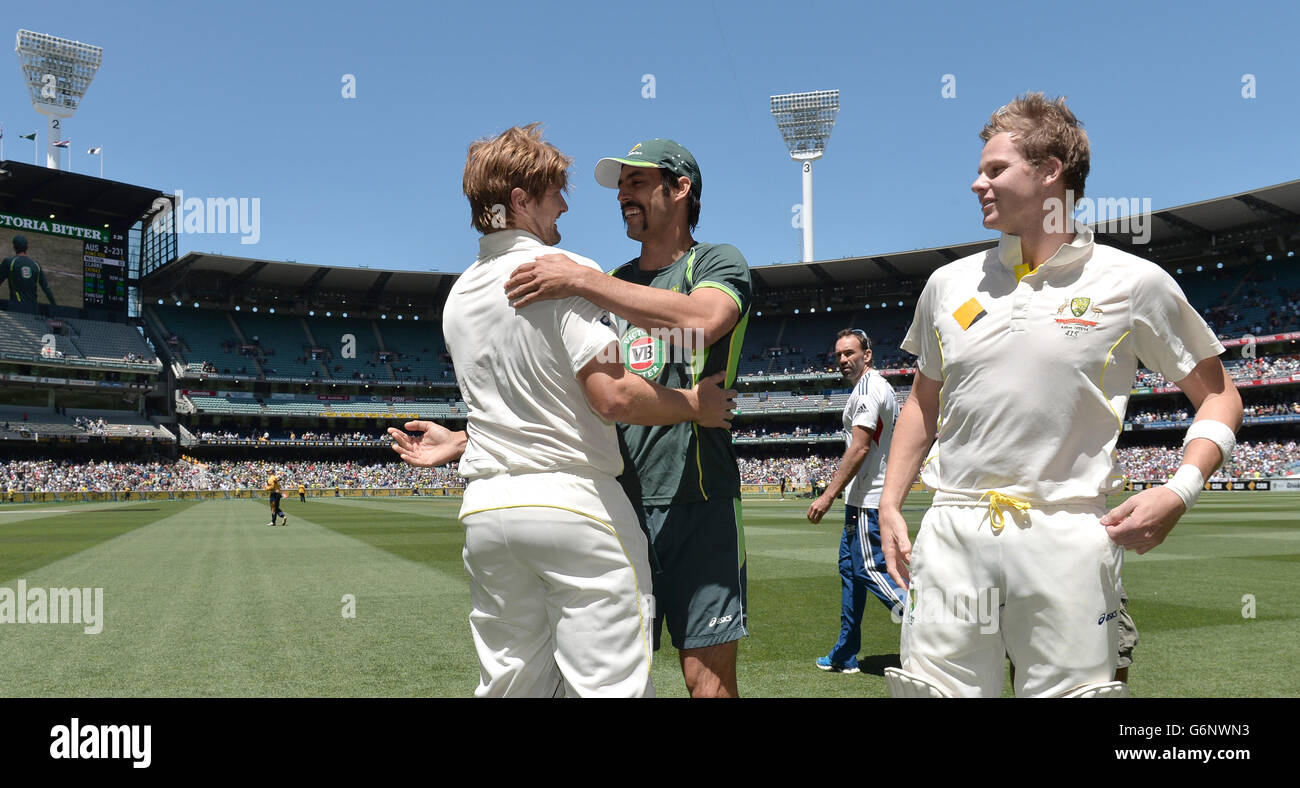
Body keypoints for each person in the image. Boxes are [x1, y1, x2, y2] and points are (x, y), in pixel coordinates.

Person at [878, 93, 1243, 698]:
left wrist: (1180, 491)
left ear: (1051, 172)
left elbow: (1220, 398)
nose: (976, 183)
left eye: (995, 170)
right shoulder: (948, 284)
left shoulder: (1132, 283)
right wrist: (892, 502)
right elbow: (922, 402)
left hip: (1066, 531)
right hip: (952, 528)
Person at [387, 124, 735, 698]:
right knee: (608, 686)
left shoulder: (460, 294)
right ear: (520, 202)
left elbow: (523, 404)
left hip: (485, 514)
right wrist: (694, 405)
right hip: (573, 505)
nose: (566, 205)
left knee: (510, 685)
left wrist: (466, 440)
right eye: (555, 194)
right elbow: (610, 396)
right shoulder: (566, 271)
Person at [503, 138, 753, 698]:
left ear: (681, 189)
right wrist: (469, 438)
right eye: (620, 187)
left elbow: (705, 321)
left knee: (706, 682)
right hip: (616, 507)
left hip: (700, 502)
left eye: (637, 183)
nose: (622, 195)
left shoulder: (712, 262)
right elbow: (577, 390)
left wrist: (584, 280)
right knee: (602, 676)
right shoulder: (612, 281)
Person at [806, 328, 902, 674]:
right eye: (839, 355)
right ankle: (845, 652)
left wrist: (827, 495)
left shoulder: (869, 391)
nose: (844, 360)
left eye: (850, 353)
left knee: (869, 570)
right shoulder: (875, 387)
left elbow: (860, 447)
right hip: (860, 500)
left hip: (868, 500)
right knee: (850, 570)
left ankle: (929, 624)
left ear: (868, 354)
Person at [0, 235, 58, 313]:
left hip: (16, 309)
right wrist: (55, 306)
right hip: (33, 310)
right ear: (27, 246)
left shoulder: (9, 262)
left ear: (14, 247)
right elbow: (46, 289)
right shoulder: (36, 265)